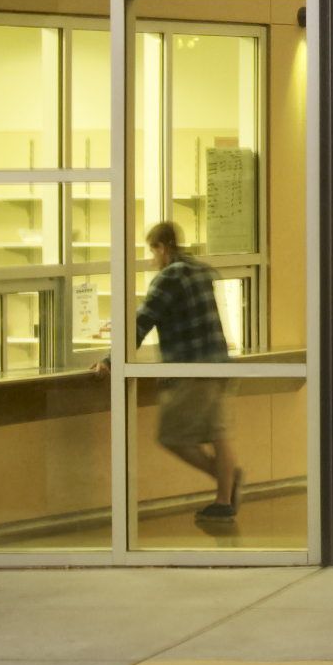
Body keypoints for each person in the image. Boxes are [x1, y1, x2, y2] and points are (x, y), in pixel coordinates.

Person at [138, 221, 245, 535]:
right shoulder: (201, 270)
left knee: (171, 436)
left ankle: (227, 480)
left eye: (152, 251)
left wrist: (111, 359)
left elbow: (142, 321)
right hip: (221, 366)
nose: (153, 259)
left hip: (192, 371)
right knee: (218, 432)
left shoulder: (168, 277)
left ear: (162, 248)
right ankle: (224, 502)